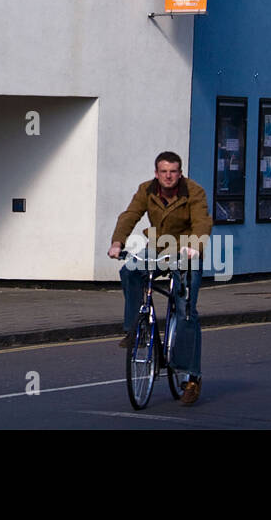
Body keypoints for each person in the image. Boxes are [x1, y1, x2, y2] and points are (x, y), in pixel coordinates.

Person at [108, 151, 212, 405]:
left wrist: (195, 247)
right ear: (156, 173)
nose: (168, 176)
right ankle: (137, 329)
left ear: (180, 172)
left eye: (173, 171)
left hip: (186, 248)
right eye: (163, 171)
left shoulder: (193, 191)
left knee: (185, 310)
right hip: (157, 247)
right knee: (130, 270)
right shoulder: (147, 190)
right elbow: (130, 215)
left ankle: (191, 378)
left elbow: (202, 222)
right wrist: (117, 242)